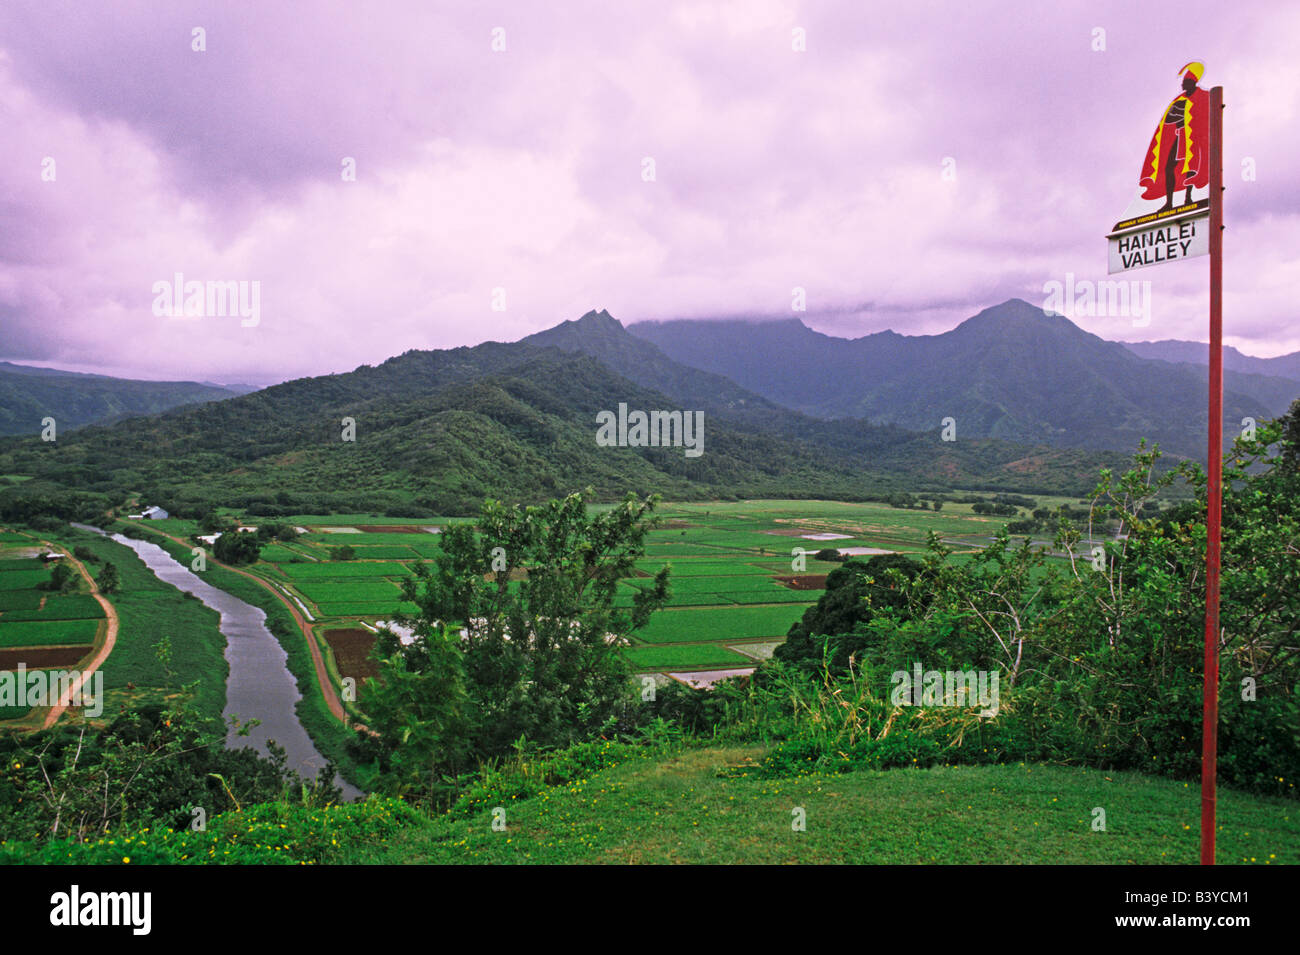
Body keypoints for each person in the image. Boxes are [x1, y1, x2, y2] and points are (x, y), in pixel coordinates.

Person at [1139, 62, 1210, 212]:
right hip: (1180, 138)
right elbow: (1169, 119)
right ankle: (1169, 202)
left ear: (1192, 82)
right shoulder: (1179, 100)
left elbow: (1204, 117)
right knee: (1169, 167)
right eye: (1183, 82)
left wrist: (1189, 119)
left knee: (1191, 166)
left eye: (1185, 82)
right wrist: (1180, 118)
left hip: (1194, 139)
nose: (1183, 84)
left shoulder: (1204, 96)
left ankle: (1188, 197)